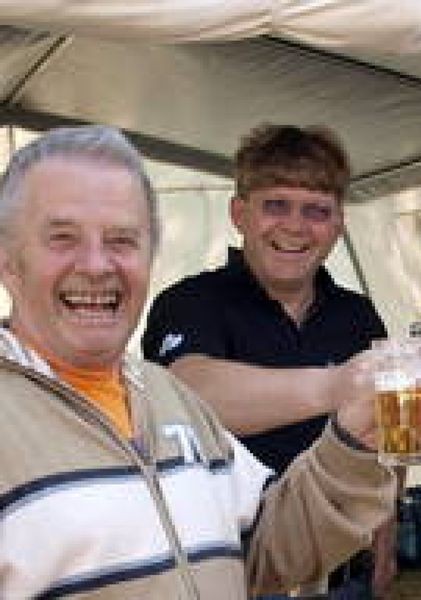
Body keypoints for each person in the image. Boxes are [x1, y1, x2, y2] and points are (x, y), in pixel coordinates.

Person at [0, 125, 395, 599]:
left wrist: (355, 443)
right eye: (62, 238)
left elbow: (264, 548)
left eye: (122, 240)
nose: (97, 265)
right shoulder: (192, 312)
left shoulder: (162, 397)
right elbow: (198, 382)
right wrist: (336, 386)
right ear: (7, 260)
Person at [141, 124, 397, 598]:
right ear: (240, 213)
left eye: (317, 211)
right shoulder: (190, 302)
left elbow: (389, 431)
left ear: (339, 227)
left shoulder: (358, 314)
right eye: (276, 205)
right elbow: (187, 395)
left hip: (346, 572)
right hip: (239, 570)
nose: (295, 227)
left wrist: (386, 535)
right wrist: (335, 385)